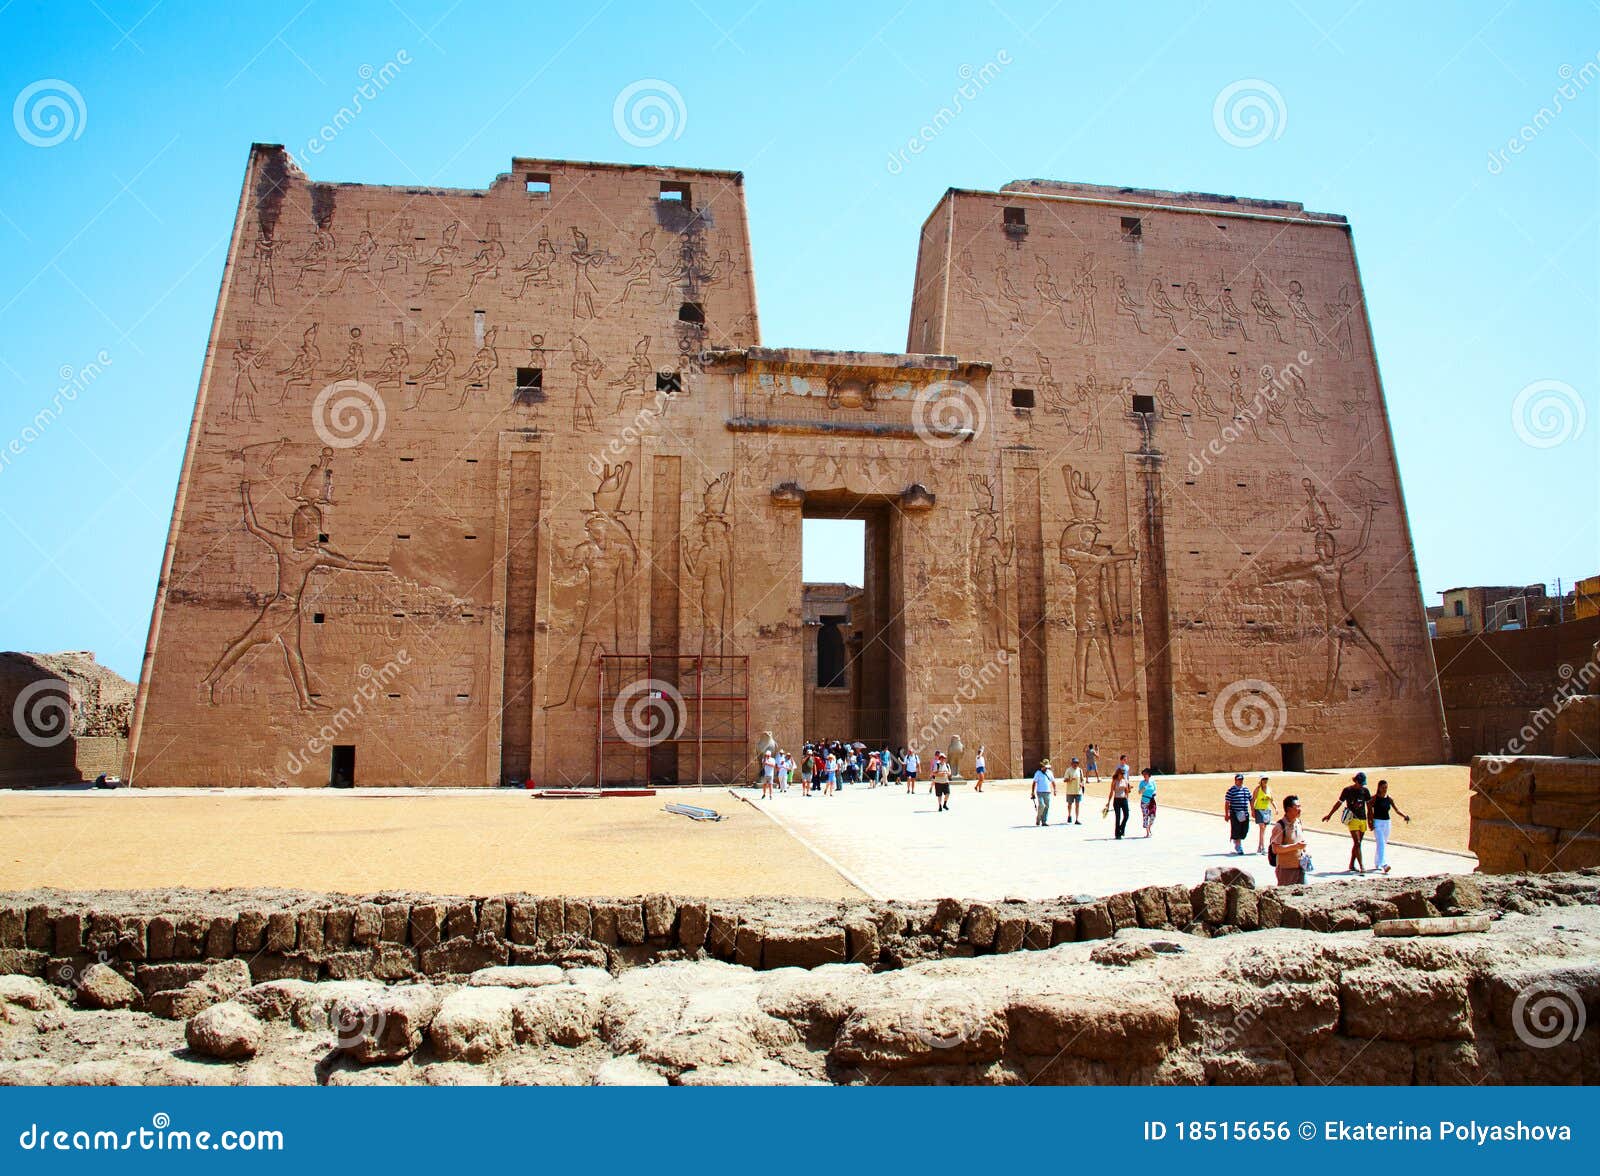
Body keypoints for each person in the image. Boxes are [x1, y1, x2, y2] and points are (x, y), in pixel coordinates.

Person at [1323, 771, 1372, 873]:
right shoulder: (1347, 790)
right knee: (1357, 843)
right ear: (1356, 781)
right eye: (1361, 783)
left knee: (1358, 844)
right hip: (1352, 819)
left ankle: (1351, 864)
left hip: (1363, 819)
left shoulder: (1365, 791)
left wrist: (1370, 820)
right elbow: (1339, 803)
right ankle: (1362, 866)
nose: (1362, 786)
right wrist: (1329, 815)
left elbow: (1369, 807)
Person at [1369, 779, 1410, 873]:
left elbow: (1397, 810)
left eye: (1386, 787)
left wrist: (1404, 816)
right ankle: (1384, 864)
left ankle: (1377, 862)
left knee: (1383, 843)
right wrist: (1370, 822)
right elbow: (1369, 811)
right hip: (1377, 822)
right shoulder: (1374, 798)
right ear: (1379, 788)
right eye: (1383, 787)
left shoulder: (1389, 798)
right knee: (1381, 843)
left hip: (1387, 823)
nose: (1385, 789)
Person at [1268, 795, 1309, 885]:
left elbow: (1300, 842)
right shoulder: (1280, 826)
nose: (1299, 809)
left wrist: (1304, 852)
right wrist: (1295, 846)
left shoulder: (1298, 822)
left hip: (1301, 869)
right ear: (1288, 809)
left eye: (1300, 806)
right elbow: (1275, 849)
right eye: (1297, 807)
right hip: (1286, 871)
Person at [1224, 773, 1253, 855]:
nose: (1240, 781)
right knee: (1237, 829)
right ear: (1235, 780)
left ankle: (1236, 839)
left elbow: (1251, 800)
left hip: (1245, 813)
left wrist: (1253, 810)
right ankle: (1238, 846)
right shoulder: (1231, 790)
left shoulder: (1246, 789)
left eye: (1241, 780)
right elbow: (1227, 803)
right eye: (1238, 780)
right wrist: (1227, 814)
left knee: (1245, 830)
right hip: (1235, 813)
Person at [1251, 775, 1275, 854]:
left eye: (1266, 779)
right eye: (1263, 779)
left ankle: (1259, 847)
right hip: (1259, 809)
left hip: (1266, 810)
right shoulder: (1257, 789)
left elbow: (1272, 800)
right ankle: (1262, 847)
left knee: (1264, 829)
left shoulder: (1269, 789)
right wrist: (1252, 810)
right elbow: (1253, 800)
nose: (1265, 781)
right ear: (1260, 780)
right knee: (1262, 827)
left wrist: (1276, 808)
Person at [1107, 765, 1131, 839]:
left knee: (1126, 816)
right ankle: (1117, 834)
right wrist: (1108, 802)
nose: (1122, 775)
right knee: (1118, 817)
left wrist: (1127, 797)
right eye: (1121, 774)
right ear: (1118, 774)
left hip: (1124, 800)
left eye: (1123, 774)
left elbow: (1127, 790)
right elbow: (1111, 792)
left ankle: (1121, 828)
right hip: (1117, 800)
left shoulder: (1125, 781)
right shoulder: (1114, 781)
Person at [1032, 758, 1056, 826]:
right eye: (1045, 767)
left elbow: (1053, 782)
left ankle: (1044, 821)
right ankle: (1038, 818)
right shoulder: (1038, 773)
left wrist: (1055, 790)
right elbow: (1034, 783)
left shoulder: (1050, 773)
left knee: (1047, 807)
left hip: (1048, 792)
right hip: (1040, 792)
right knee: (1042, 805)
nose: (1046, 768)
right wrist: (1032, 792)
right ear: (1042, 766)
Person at [1062, 757, 1085, 824]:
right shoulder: (1068, 770)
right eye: (1074, 763)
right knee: (1069, 804)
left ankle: (1077, 819)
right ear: (1071, 763)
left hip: (1078, 791)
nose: (1075, 764)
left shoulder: (1080, 770)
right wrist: (1070, 779)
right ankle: (1069, 815)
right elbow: (1065, 780)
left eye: (1077, 763)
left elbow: (1082, 779)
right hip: (1070, 791)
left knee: (1077, 805)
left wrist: (1082, 783)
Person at [1138, 767, 1158, 838]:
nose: (1144, 775)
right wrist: (1144, 788)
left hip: (1152, 800)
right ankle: (1147, 832)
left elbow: (1155, 790)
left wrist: (1154, 793)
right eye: (1143, 774)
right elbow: (1139, 792)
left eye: (1146, 774)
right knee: (1145, 816)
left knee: (1153, 816)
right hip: (1144, 801)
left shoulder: (1152, 782)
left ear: (1149, 774)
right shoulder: (1142, 783)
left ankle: (1149, 827)